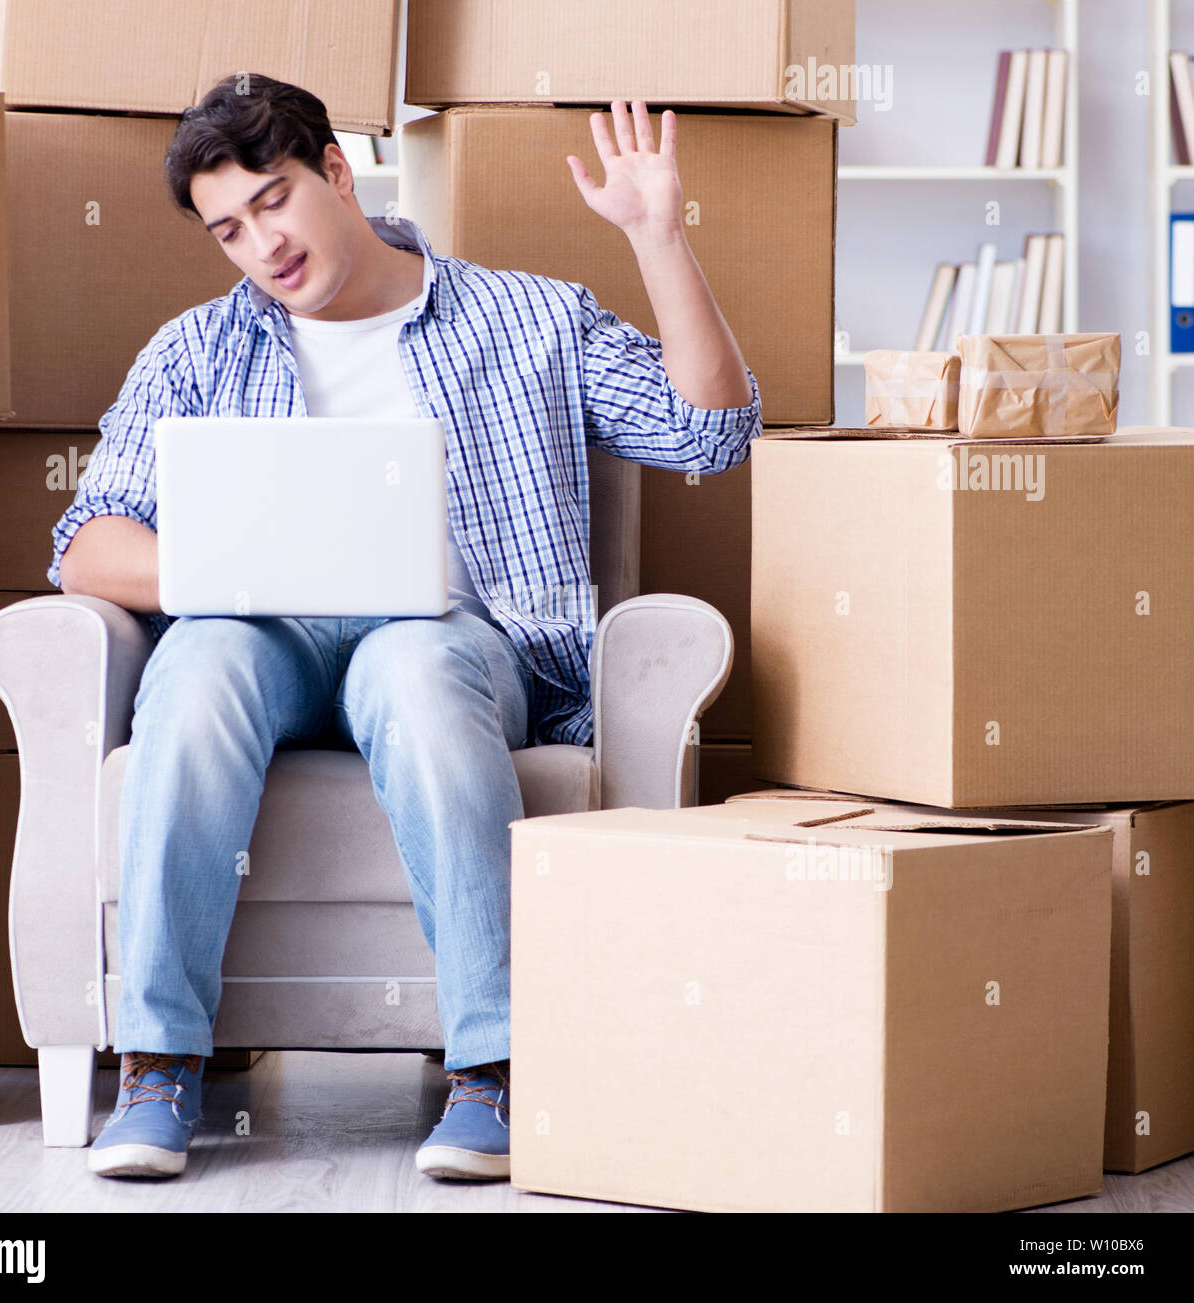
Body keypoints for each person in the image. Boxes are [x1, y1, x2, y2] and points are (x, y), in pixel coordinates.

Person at [52, 73, 761, 1182]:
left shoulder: (528, 316)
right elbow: (85, 546)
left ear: (337, 169)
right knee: (195, 667)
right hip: (261, 633)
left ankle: (494, 1072)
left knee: (415, 667)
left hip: (455, 636)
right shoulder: (198, 348)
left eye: (273, 200)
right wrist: (240, 568)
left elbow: (708, 433)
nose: (260, 246)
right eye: (228, 230)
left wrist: (659, 240)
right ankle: (158, 1068)